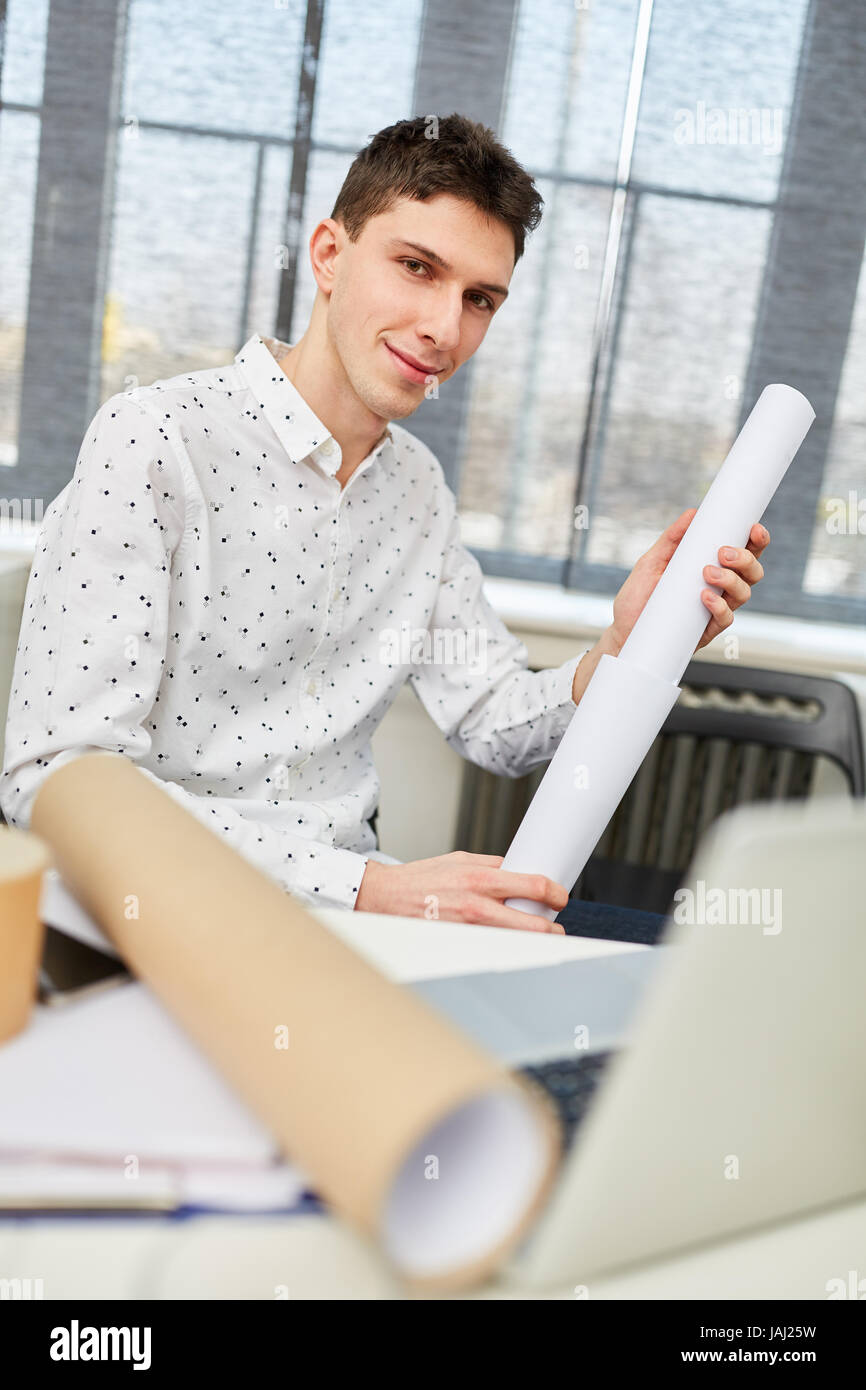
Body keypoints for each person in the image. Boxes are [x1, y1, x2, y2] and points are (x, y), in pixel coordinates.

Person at [0, 114, 769, 939]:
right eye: (416, 268)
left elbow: (492, 720)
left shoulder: (419, 491)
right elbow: (57, 777)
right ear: (330, 255)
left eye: (480, 299)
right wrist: (367, 886)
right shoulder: (155, 439)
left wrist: (622, 646)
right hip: (162, 920)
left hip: (354, 925)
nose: (445, 329)